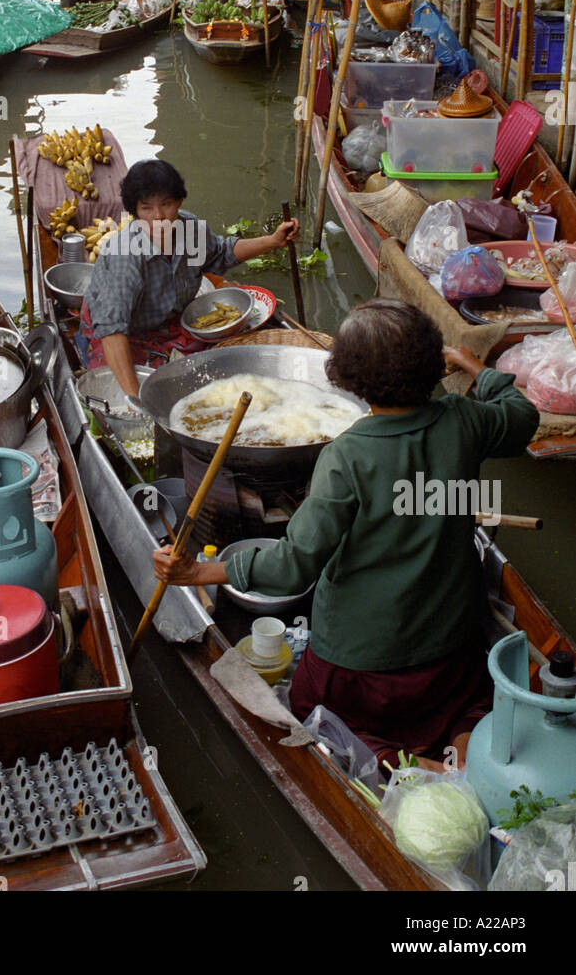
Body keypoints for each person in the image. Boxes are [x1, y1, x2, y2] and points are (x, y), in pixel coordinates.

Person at [153, 299, 539, 770]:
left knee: (308, 708)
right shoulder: (465, 420)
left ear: (350, 379)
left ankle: (398, 763)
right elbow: (522, 416)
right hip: (449, 647)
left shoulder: (348, 454)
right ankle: (459, 744)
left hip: (363, 662)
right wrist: (475, 366)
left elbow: (293, 566)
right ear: (430, 363)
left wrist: (199, 571)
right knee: (465, 699)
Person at [80, 158, 299, 399]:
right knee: (149, 391)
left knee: (224, 366)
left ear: (179, 202)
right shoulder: (125, 256)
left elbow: (222, 253)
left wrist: (272, 241)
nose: (159, 216)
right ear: (134, 212)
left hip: (168, 322)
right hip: (124, 330)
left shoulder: (189, 229)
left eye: (166, 204)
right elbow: (112, 331)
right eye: (147, 208)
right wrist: (136, 400)